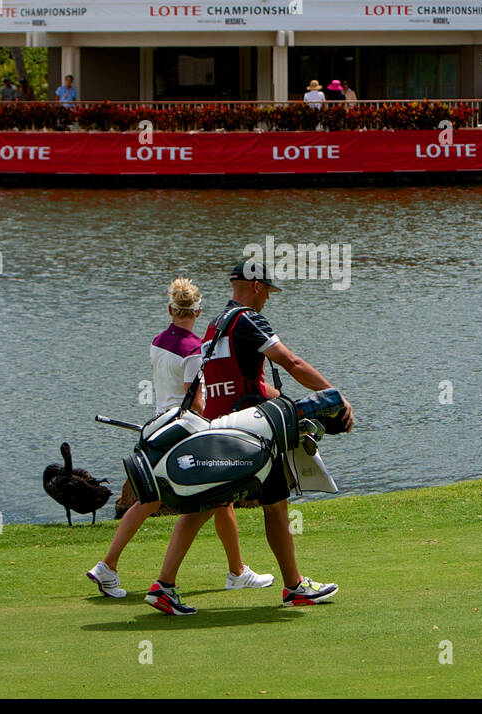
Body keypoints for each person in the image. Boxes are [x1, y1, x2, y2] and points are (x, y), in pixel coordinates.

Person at [145, 261, 354, 616]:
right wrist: (334, 394)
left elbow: (240, 381)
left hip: (222, 426)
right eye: (268, 292)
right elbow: (292, 362)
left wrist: (280, 401)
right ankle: (292, 587)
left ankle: (289, 585)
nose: (268, 299)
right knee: (267, 504)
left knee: (220, 501)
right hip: (253, 432)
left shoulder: (215, 325)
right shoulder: (249, 319)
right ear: (256, 286)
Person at [87, 278, 273, 599]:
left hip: (160, 429)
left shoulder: (158, 341)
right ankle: (229, 573)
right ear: (198, 310)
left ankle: (235, 570)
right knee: (213, 497)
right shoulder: (194, 350)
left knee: (201, 500)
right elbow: (196, 401)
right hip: (183, 435)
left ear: (170, 309)